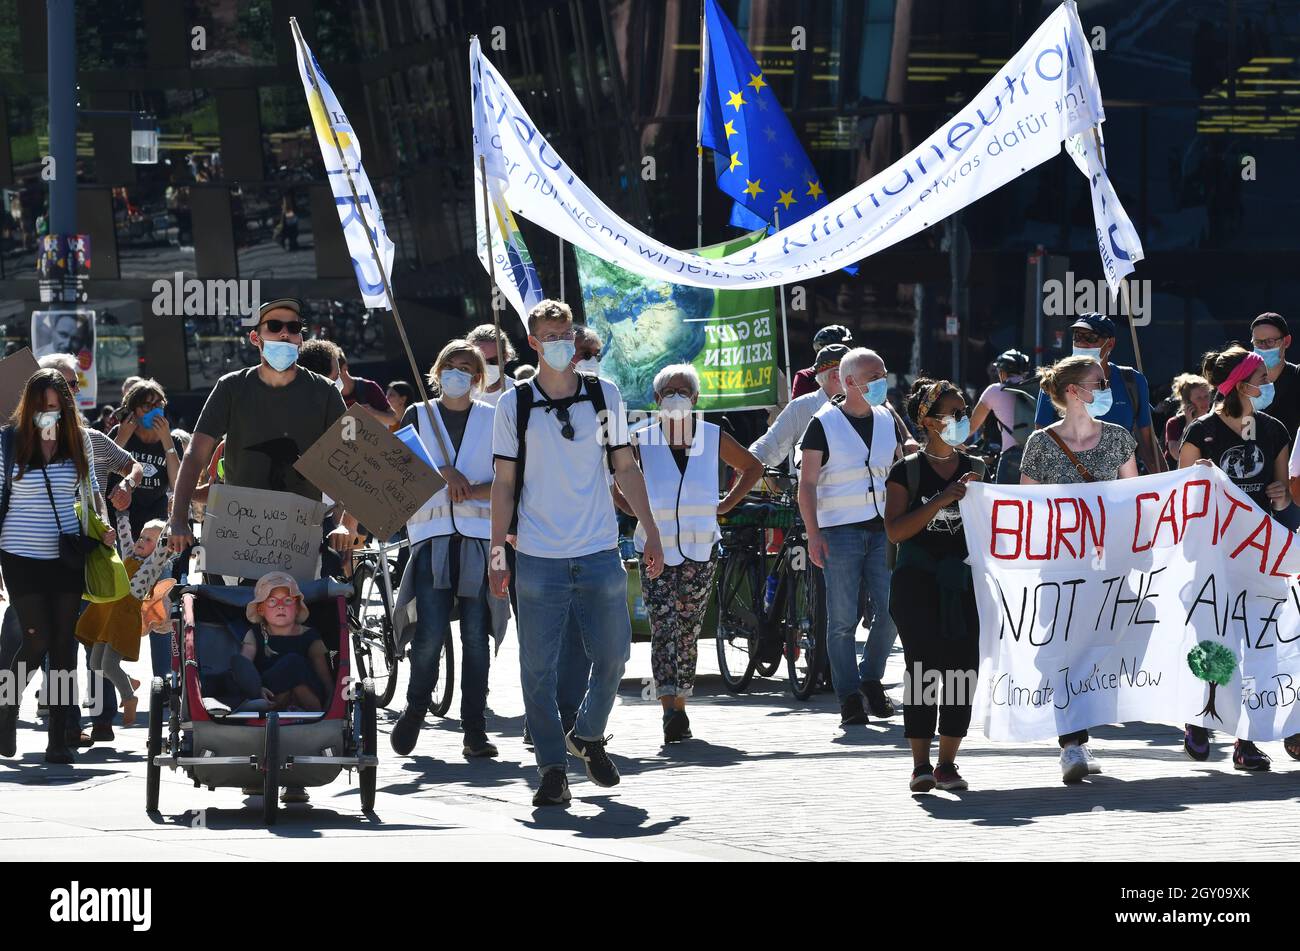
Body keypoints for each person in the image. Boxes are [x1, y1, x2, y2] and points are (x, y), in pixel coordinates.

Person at [489, 299, 664, 806]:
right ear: (534, 343)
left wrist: (649, 528)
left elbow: (625, 468)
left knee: (613, 655)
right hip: (538, 554)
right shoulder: (513, 404)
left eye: (567, 333)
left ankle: (586, 734)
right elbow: (503, 483)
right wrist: (497, 552)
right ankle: (551, 767)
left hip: (598, 549)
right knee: (537, 668)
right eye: (551, 335)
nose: (562, 343)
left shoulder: (603, 395)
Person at [1020, 355, 1138, 783]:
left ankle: (1079, 727)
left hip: (1109, 565)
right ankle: (1072, 742)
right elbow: (1026, 508)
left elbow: (1135, 497)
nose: (1107, 388)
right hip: (1060, 564)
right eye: (1099, 382)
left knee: (1102, 644)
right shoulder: (1041, 444)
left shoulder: (1119, 438)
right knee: (1064, 650)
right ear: (1074, 391)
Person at [391, 340, 510, 759]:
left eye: (467, 368)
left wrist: (472, 488)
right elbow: (394, 469)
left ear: (478, 379)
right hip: (432, 540)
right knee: (429, 633)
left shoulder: (496, 418)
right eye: (451, 365)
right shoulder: (417, 415)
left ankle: (474, 729)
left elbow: (513, 479)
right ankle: (415, 709)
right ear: (438, 371)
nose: (458, 373)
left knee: (477, 637)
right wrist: (442, 471)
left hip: (478, 542)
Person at [167, 298, 357, 561]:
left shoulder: (325, 391)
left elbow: (353, 459)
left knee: (312, 598)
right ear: (256, 337)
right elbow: (195, 454)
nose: (285, 333)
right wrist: (178, 519)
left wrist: (347, 523)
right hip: (240, 527)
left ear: (300, 339)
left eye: (293, 328)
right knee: (235, 601)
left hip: (305, 529)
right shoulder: (231, 387)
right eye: (275, 325)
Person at [632, 364, 762, 742]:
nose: (675, 397)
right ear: (656, 400)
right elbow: (614, 479)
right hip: (654, 547)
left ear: (695, 398)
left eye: (683, 391)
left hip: (700, 547)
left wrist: (726, 504)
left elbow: (752, 467)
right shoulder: (641, 439)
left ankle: (681, 702)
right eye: (668, 391)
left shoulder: (711, 435)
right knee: (663, 626)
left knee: (687, 630)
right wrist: (631, 508)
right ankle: (668, 707)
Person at [1179, 347, 1290, 771]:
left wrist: (1280, 496)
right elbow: (1181, 499)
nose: (1268, 385)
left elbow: (1280, 493)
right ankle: (1200, 716)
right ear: (1242, 385)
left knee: (1258, 643)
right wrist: (1200, 482)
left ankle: (1248, 739)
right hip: (1212, 554)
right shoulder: (1201, 432)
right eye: (1262, 377)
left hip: (1261, 553)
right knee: (1214, 638)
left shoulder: (1275, 429)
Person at [0, 369, 108, 764]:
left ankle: (59, 737)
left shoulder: (78, 441)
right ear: (29, 408)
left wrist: (104, 527)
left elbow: (91, 489)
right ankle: (7, 707)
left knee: (64, 646)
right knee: (36, 640)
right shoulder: (10, 442)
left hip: (67, 554)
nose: (50, 414)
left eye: (57, 406)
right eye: (43, 407)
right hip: (19, 554)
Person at [884, 379, 984, 792]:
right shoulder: (906, 470)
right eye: (953, 413)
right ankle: (920, 764)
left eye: (965, 411)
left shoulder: (976, 467)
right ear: (926, 420)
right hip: (917, 584)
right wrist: (941, 500)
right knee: (922, 670)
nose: (962, 419)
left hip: (963, 583)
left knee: (963, 670)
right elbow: (895, 531)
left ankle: (948, 763)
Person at [799, 347, 905, 727]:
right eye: (873, 376)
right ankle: (849, 697)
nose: (882, 382)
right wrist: (813, 535)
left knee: (893, 609)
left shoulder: (887, 418)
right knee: (842, 619)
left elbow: (897, 470)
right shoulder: (822, 424)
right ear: (848, 382)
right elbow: (807, 484)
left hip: (882, 529)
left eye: (883, 374)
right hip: (839, 531)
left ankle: (871, 679)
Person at [39, 353, 142, 743]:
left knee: (96, 636)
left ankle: (102, 718)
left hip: (96, 551)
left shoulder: (92, 439)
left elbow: (133, 465)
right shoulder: (39, 438)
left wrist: (127, 486)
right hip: (51, 550)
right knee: (55, 640)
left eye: (73, 384)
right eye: (61, 383)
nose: (69, 391)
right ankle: (65, 723)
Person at [73, 520, 175, 732]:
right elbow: (125, 537)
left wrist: (171, 523)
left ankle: (129, 698)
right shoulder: (130, 555)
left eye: (149, 540)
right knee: (95, 664)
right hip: (110, 615)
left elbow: (162, 550)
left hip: (125, 620)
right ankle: (129, 681)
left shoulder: (152, 565)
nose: (141, 541)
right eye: (142, 537)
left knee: (109, 665)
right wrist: (122, 515)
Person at [1032, 314, 1164, 475]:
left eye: (1091, 337)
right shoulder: (1057, 379)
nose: (1082, 343)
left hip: (1118, 486)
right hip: (1070, 486)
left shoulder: (1133, 381)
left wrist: (1170, 487)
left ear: (1110, 344)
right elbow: (1042, 441)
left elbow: (1148, 443)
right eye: (1077, 336)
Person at [749, 344, 847, 469]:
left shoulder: (868, 406)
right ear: (836, 376)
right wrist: (747, 461)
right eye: (854, 371)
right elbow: (770, 445)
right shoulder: (801, 407)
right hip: (816, 488)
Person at [968, 349, 1035, 484]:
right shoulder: (1036, 389)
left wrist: (952, 441)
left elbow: (970, 428)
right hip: (1035, 456)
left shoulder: (994, 390)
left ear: (1002, 373)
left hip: (1011, 457)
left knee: (1005, 503)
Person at [1250, 312, 1300, 439]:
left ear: (1286, 341)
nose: (1263, 347)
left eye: (1270, 341)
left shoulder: (1296, 376)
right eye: (1257, 342)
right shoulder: (1239, 381)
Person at [791, 325, 853, 399]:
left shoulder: (856, 372)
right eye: (838, 347)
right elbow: (800, 407)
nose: (846, 350)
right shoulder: (806, 376)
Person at [338, 351, 398, 428]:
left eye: (334, 373)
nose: (329, 379)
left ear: (344, 367)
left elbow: (393, 419)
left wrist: (373, 413)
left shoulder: (368, 387)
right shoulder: (330, 396)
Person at [1164, 373, 1211, 464]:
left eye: (1206, 396)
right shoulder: (1174, 423)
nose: (1204, 401)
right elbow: (1176, 455)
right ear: (1187, 402)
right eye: (1198, 398)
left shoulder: (1214, 420)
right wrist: (1189, 424)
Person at [466, 323, 517, 406]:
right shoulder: (462, 395)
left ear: (506, 357)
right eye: (480, 360)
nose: (485, 366)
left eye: (493, 360)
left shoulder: (518, 393)